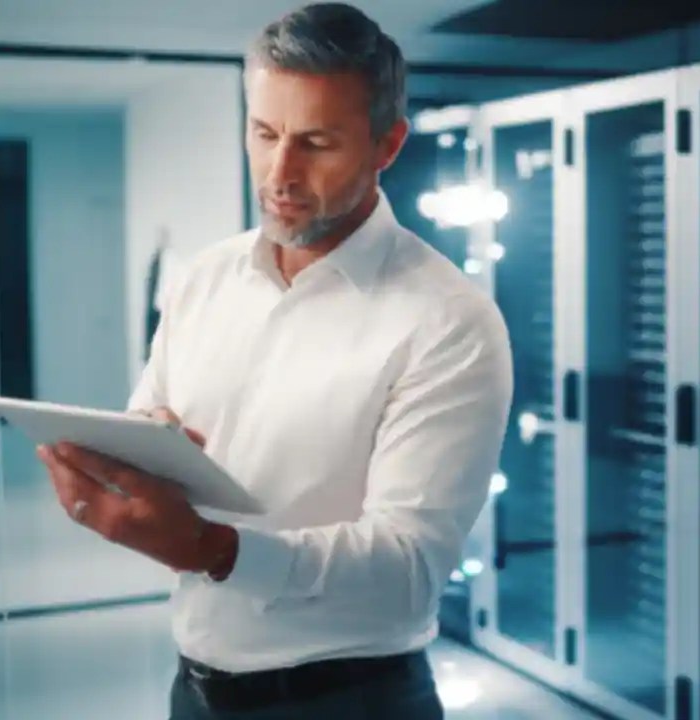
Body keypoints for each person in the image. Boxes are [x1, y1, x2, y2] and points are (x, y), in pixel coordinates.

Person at [35, 3, 514, 718]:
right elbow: (150, 413)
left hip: (351, 704)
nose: (280, 171)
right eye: (263, 133)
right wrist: (136, 461)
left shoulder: (449, 320)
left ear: (388, 144)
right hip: (193, 693)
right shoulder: (205, 277)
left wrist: (212, 549)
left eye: (317, 142)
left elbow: (408, 572)